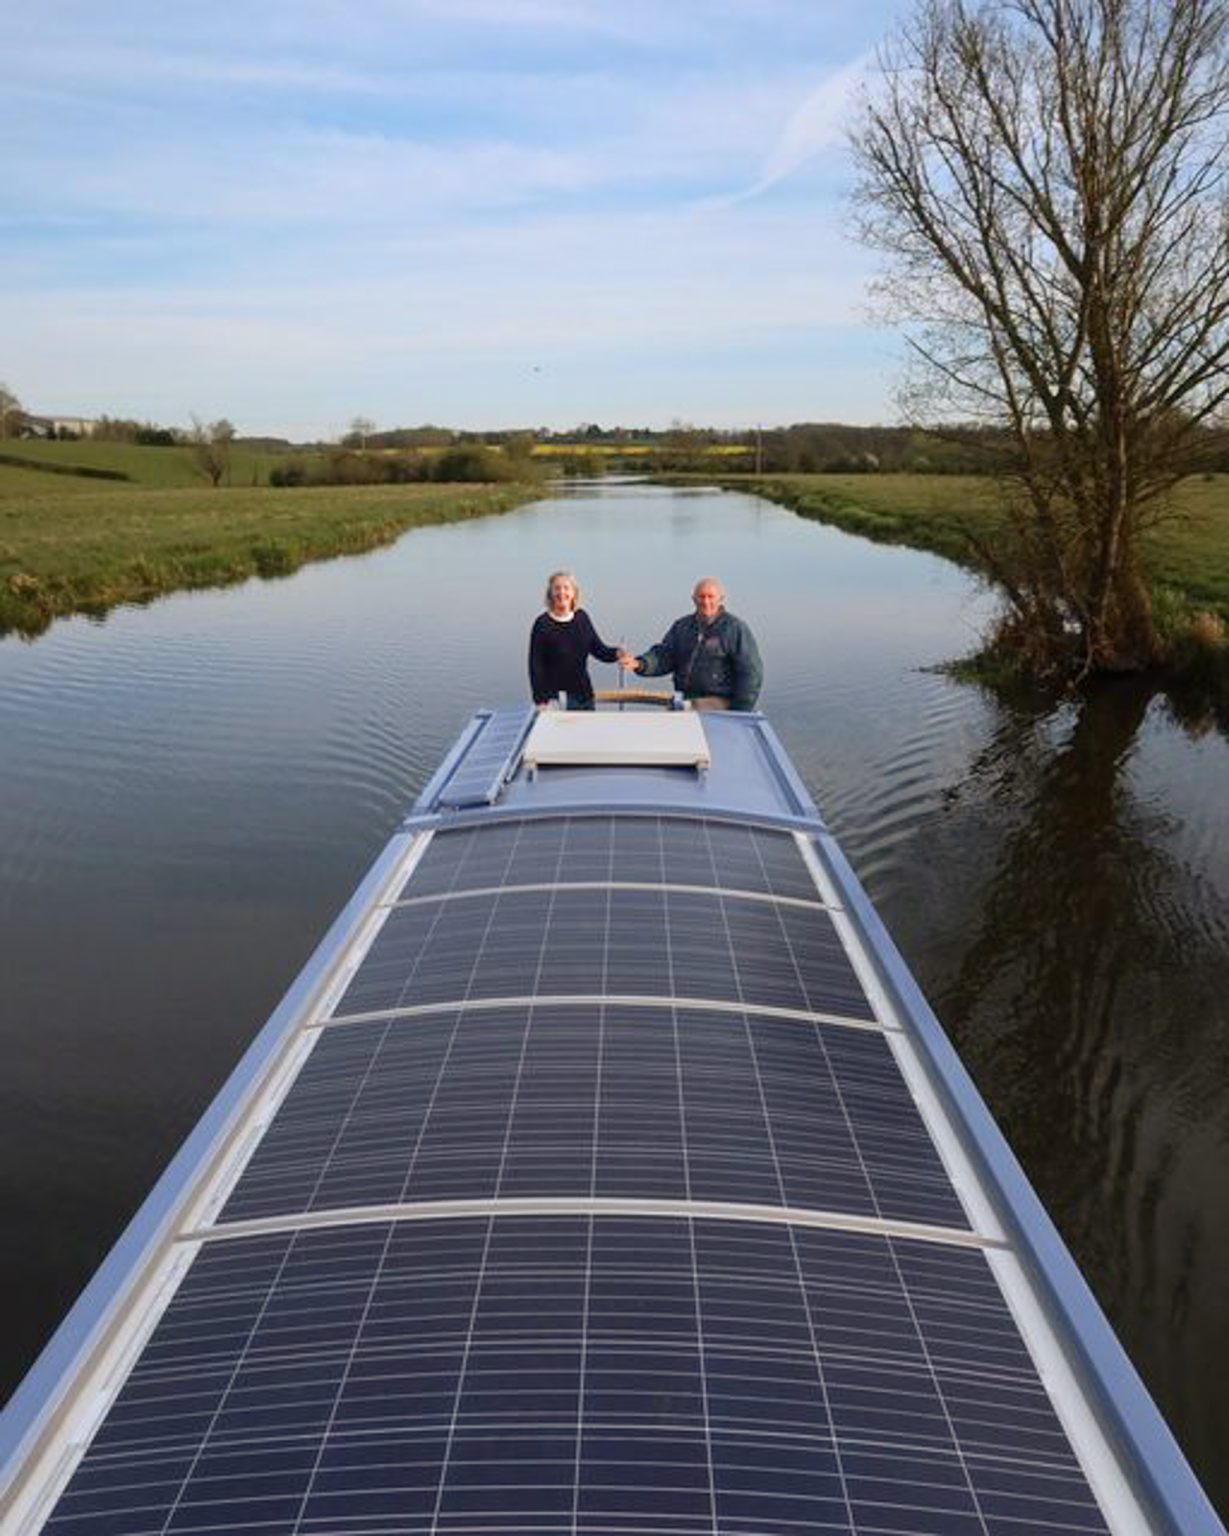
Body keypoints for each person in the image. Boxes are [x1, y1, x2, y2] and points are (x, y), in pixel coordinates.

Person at [621, 577, 762, 711]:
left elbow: (750, 673)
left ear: (721, 599)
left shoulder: (735, 628)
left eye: (710, 596)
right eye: (701, 597)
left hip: (719, 700)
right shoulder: (682, 626)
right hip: (685, 697)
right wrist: (640, 663)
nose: (706, 602)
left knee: (684, 711)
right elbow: (665, 655)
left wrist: (740, 711)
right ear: (693, 599)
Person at [528, 570, 622, 710]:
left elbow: (599, 650)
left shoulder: (582, 618)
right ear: (550, 593)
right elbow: (535, 666)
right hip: (556, 699)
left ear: (574, 593)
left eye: (566, 588)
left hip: (584, 696)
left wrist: (617, 653)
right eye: (557, 588)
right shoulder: (542, 624)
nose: (562, 593)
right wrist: (540, 699)